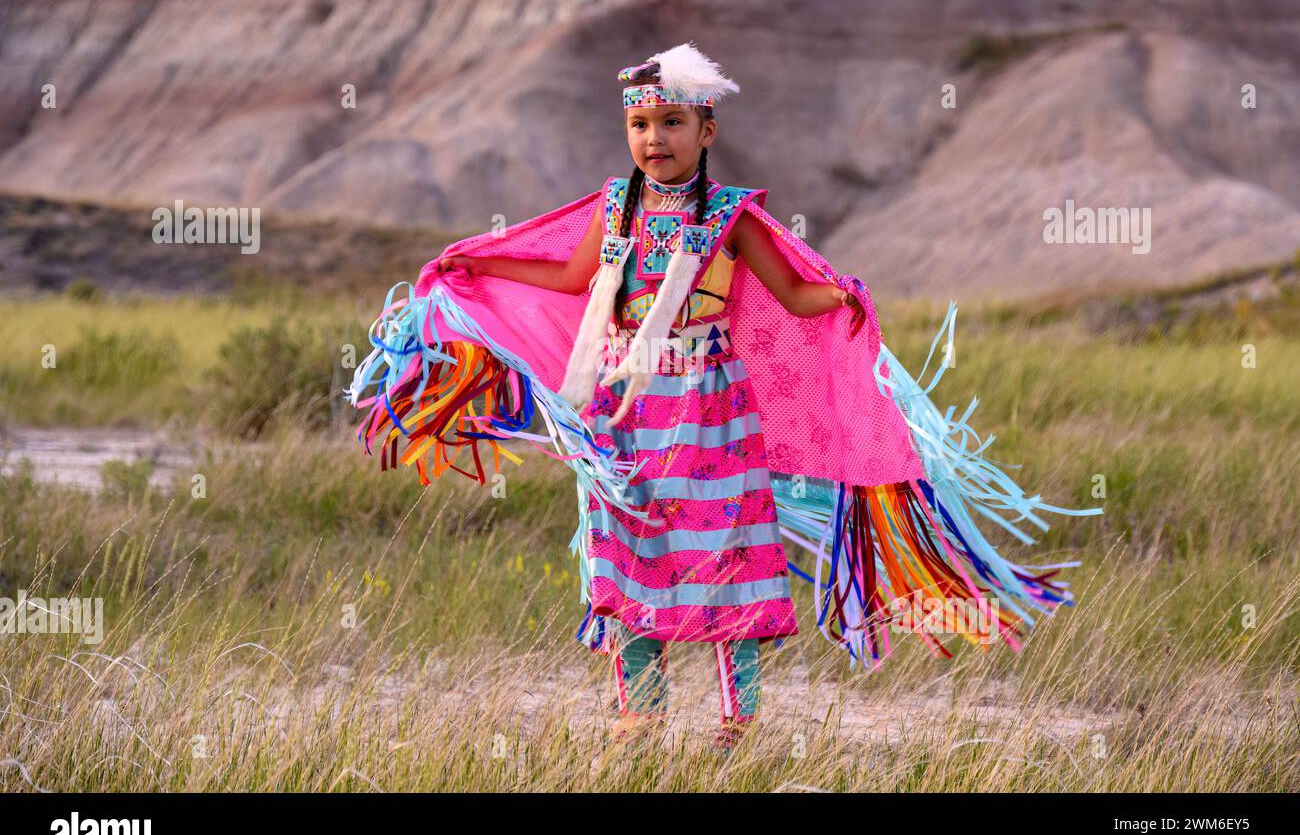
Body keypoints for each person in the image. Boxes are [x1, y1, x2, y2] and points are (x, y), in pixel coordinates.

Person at [348, 42, 1101, 755]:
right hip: (623, 409)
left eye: (672, 123)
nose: (655, 138)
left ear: (706, 130)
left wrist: (838, 296)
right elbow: (572, 281)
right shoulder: (615, 210)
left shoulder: (730, 217)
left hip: (711, 410)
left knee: (726, 553)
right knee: (628, 553)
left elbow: (791, 295)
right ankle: (639, 712)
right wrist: (481, 264)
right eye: (640, 124)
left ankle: (739, 719)